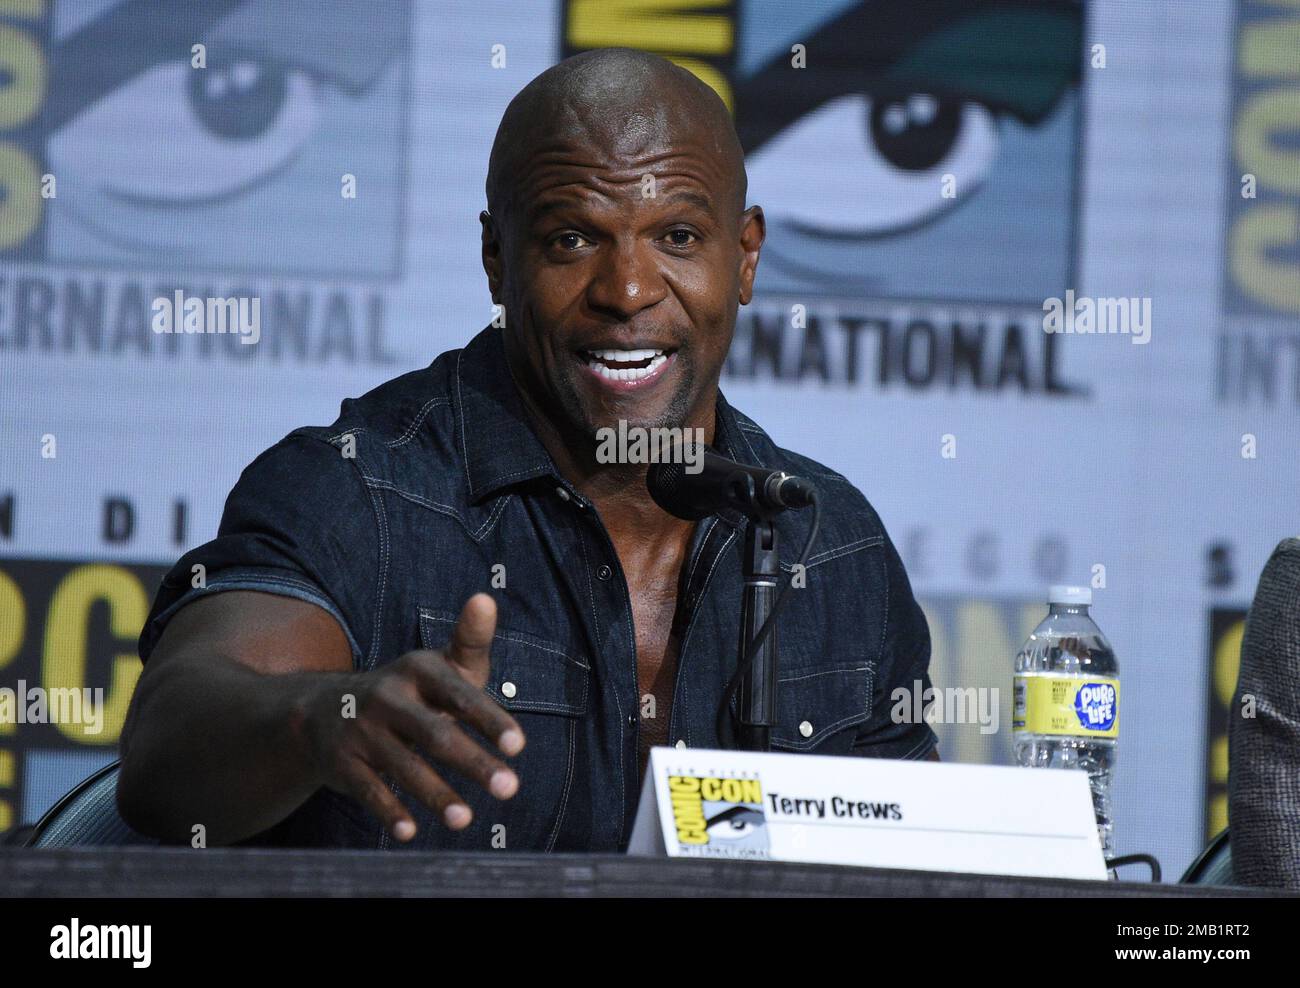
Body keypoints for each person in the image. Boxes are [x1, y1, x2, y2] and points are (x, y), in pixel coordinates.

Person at [117, 48, 938, 851]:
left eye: (679, 237)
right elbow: (170, 747)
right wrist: (320, 719)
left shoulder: (828, 545)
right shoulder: (358, 492)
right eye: (572, 240)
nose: (627, 291)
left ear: (746, 256)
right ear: (496, 258)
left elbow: (921, 866)